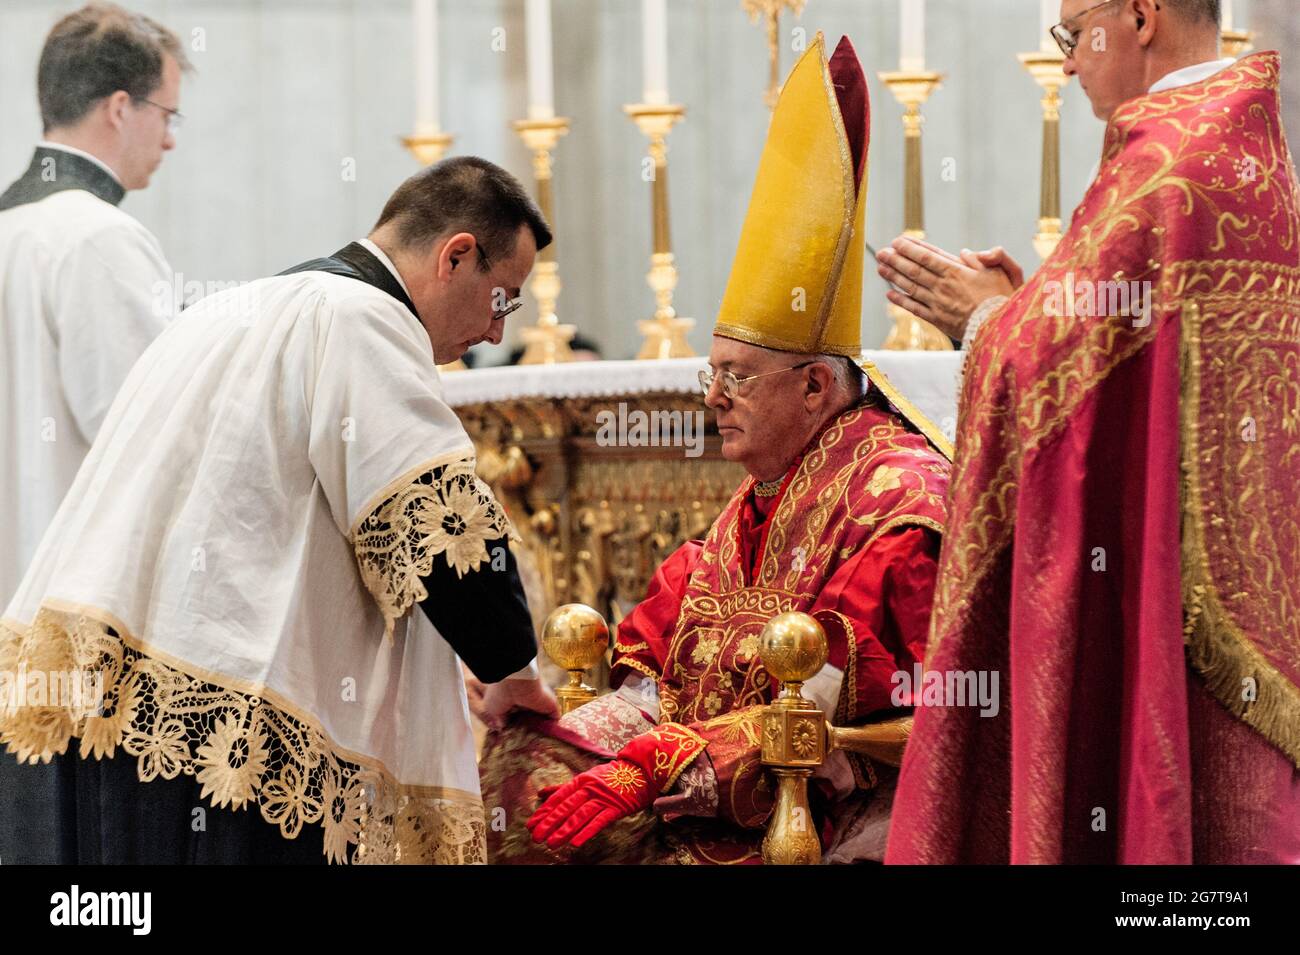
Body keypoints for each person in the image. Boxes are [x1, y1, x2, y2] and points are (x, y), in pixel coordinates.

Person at [0, 155, 560, 864]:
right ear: (456, 255)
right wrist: (514, 671)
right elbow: (446, 536)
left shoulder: (225, 313)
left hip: (93, 717)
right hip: (210, 751)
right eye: (503, 298)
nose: (495, 335)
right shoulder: (362, 321)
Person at [479, 35, 952, 865]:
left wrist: (659, 761)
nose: (711, 399)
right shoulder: (764, 493)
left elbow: (848, 705)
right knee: (530, 769)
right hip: (722, 794)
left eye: (738, 377)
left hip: (839, 809)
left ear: (814, 387)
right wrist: (586, 738)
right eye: (713, 372)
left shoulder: (895, 500)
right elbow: (654, 661)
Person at [878, 0, 1300, 863]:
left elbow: (1062, 377)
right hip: (1241, 616)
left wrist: (984, 322)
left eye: (1073, 35)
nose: (1067, 65)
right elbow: (1133, 373)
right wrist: (1028, 304)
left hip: (1177, 619)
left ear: (1141, 16)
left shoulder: (1165, 166)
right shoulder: (1245, 150)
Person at [0, 1, 190, 864]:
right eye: (167, 114)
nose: (171, 140)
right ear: (121, 107)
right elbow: (145, 446)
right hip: (69, 628)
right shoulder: (101, 239)